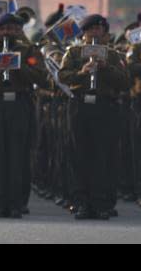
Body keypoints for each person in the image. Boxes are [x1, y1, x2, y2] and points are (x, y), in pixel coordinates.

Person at [0, 12, 49, 218]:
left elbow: (41, 77)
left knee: (19, 155)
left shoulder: (29, 51)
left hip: (20, 103)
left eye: (12, 29)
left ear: (19, 31)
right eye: (3, 29)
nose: (7, 33)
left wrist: (18, 66)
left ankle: (17, 203)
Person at [60, 14, 129, 220]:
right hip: (80, 106)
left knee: (103, 156)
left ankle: (100, 203)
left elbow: (124, 82)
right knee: (79, 155)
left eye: (98, 29)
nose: (94, 33)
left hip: (104, 107)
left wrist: (106, 68)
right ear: (84, 33)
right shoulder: (73, 53)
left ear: (104, 32)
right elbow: (62, 76)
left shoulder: (113, 55)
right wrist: (83, 72)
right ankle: (81, 202)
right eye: (90, 30)